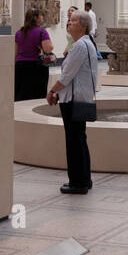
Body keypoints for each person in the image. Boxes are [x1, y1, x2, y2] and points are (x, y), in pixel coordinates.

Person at [46, 12, 99, 194]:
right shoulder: (87, 43)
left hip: (73, 100)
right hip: (80, 98)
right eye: (69, 21)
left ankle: (77, 183)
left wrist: (52, 91)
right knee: (79, 140)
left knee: (74, 141)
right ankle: (84, 179)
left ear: (83, 26)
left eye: (74, 21)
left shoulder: (79, 46)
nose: (69, 23)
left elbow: (66, 75)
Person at [14, 8, 54, 101]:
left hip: (20, 66)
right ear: (36, 18)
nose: (42, 17)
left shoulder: (19, 32)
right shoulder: (42, 32)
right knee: (37, 94)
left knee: (21, 94)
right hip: (37, 66)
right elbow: (48, 49)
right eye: (41, 15)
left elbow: (15, 52)